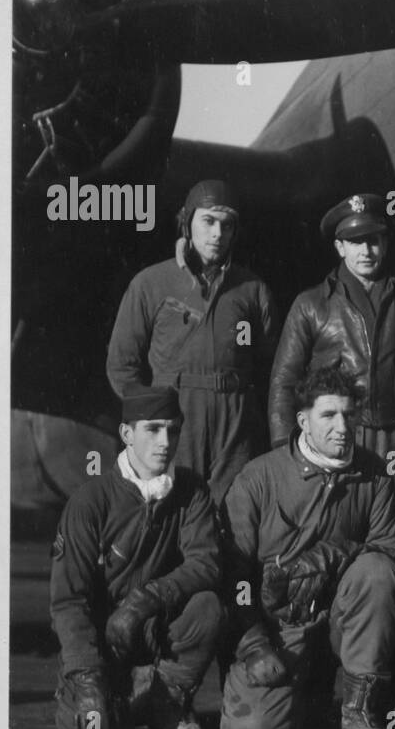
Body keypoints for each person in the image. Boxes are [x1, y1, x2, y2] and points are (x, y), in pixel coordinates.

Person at [218, 367, 395, 729]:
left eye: (349, 415)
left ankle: (359, 711)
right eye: (328, 415)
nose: (342, 426)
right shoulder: (258, 478)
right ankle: (306, 699)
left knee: (378, 572)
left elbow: (390, 553)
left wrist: (333, 554)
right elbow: (232, 577)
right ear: (303, 420)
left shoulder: (374, 475)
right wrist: (254, 645)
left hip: (343, 623)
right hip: (280, 629)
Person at [50, 385, 224, 729]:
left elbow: (205, 562)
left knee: (207, 605)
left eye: (173, 430)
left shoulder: (192, 491)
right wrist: (87, 682)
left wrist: (142, 601)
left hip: (155, 631)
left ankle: (167, 699)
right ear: (126, 434)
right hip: (104, 646)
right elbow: (69, 601)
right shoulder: (90, 502)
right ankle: (121, 697)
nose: (165, 441)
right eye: (153, 429)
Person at [268, 192, 395, 512]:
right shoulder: (311, 305)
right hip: (338, 436)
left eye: (374, 240)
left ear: (385, 244)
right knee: (337, 518)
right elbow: (284, 382)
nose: (366, 251)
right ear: (340, 247)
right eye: (355, 242)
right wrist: (283, 449)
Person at [106, 179, 279, 503]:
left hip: (235, 424)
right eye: (208, 221)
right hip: (174, 417)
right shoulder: (150, 284)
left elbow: (270, 364)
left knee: (234, 517)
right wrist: (150, 420)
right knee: (173, 515)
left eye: (227, 225)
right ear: (187, 223)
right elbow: (121, 365)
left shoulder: (253, 289)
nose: (217, 233)